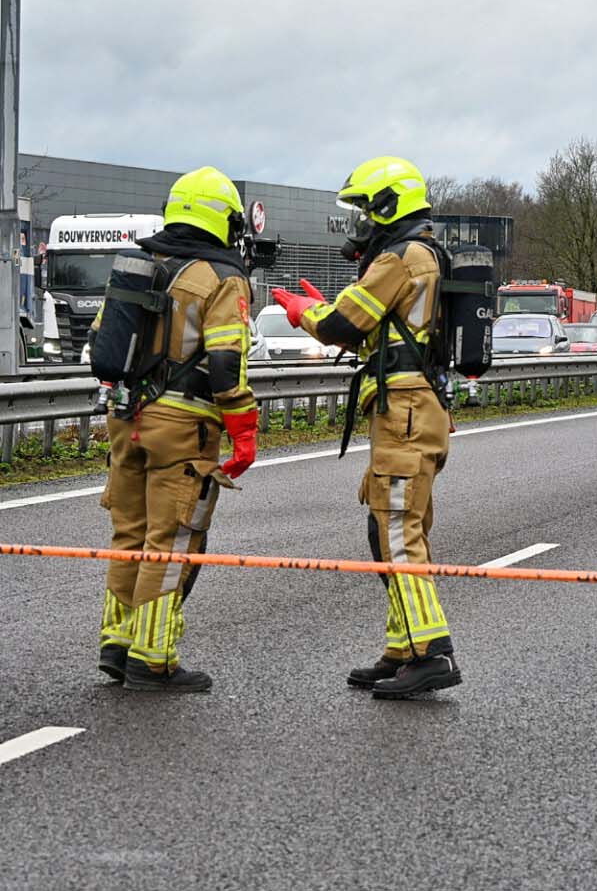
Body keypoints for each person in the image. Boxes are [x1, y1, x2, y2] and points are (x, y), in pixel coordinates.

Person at [274, 156, 460, 699]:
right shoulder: (420, 254)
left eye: (363, 213)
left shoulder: (403, 258)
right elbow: (371, 333)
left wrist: (304, 310)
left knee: (398, 533)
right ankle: (402, 651)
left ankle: (432, 654)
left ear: (388, 207)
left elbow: (340, 325)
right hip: (410, 408)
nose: (358, 226)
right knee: (390, 530)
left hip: (405, 410)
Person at [96, 166, 258, 693]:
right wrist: (244, 426)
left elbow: (102, 340)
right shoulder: (222, 278)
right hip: (184, 427)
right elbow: (225, 363)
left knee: (130, 534)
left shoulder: (137, 266)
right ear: (222, 219)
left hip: (126, 421)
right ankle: (154, 657)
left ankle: (117, 644)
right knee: (174, 538)